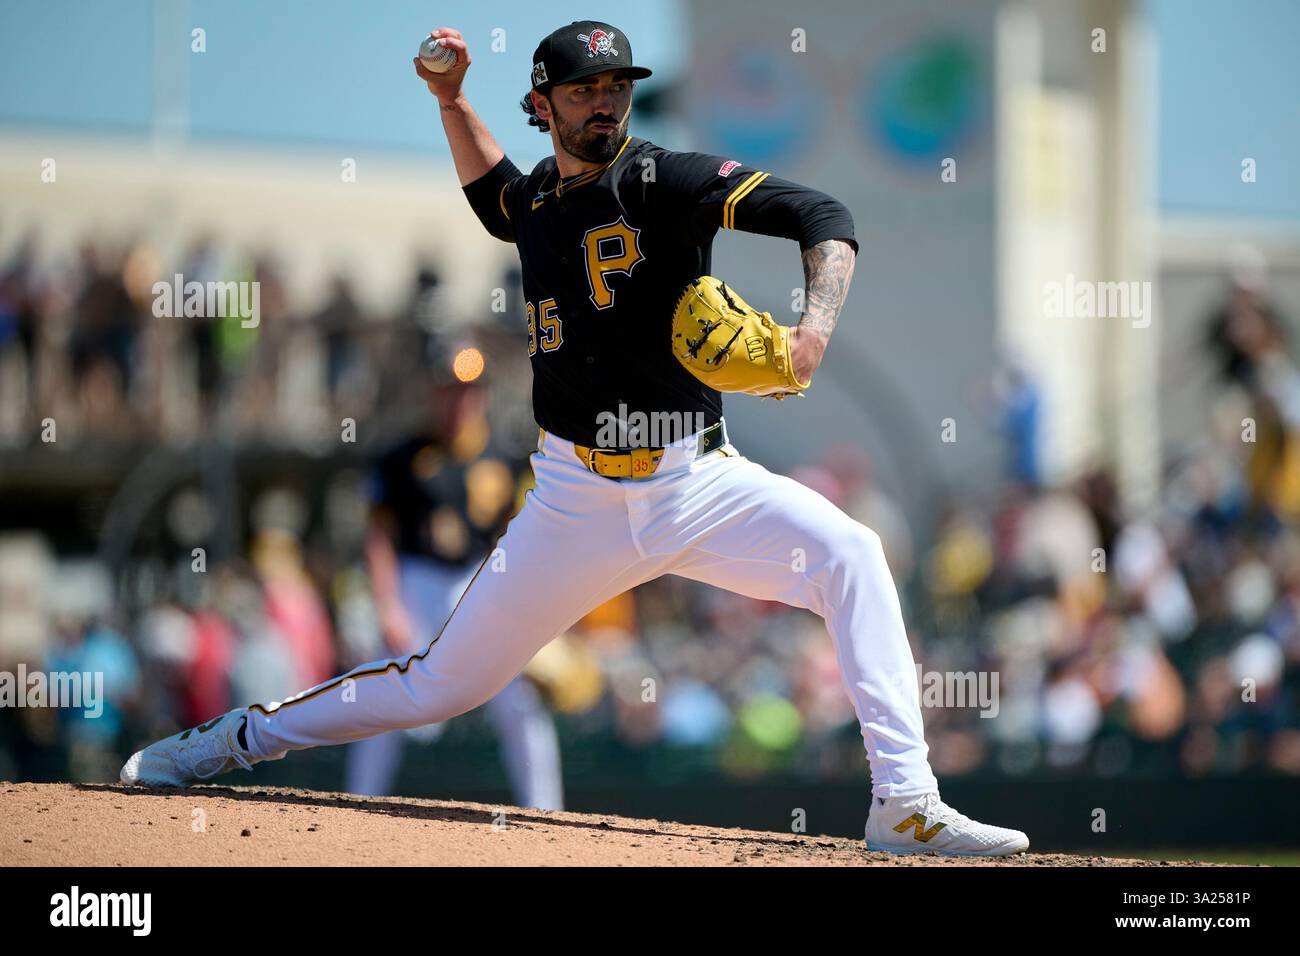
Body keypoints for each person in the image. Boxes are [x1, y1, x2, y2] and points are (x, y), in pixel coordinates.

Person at [121, 20, 1028, 856]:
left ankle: (903, 803)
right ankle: (229, 740)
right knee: (438, 686)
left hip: (695, 481)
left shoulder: (664, 178)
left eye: (619, 86)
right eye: (587, 87)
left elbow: (822, 215)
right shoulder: (537, 203)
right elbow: (491, 193)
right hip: (572, 500)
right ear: (543, 102)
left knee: (854, 553)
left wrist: (814, 324)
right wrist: (449, 101)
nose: (607, 101)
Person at [345, 370, 562, 808]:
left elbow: (517, 534)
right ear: (434, 391)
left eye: (469, 389)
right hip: (417, 580)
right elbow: (379, 536)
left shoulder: (505, 455)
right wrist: (387, 605)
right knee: (387, 689)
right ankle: (358, 803)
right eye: (451, 388)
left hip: (477, 579)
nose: (460, 400)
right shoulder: (402, 456)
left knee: (516, 697)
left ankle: (544, 812)